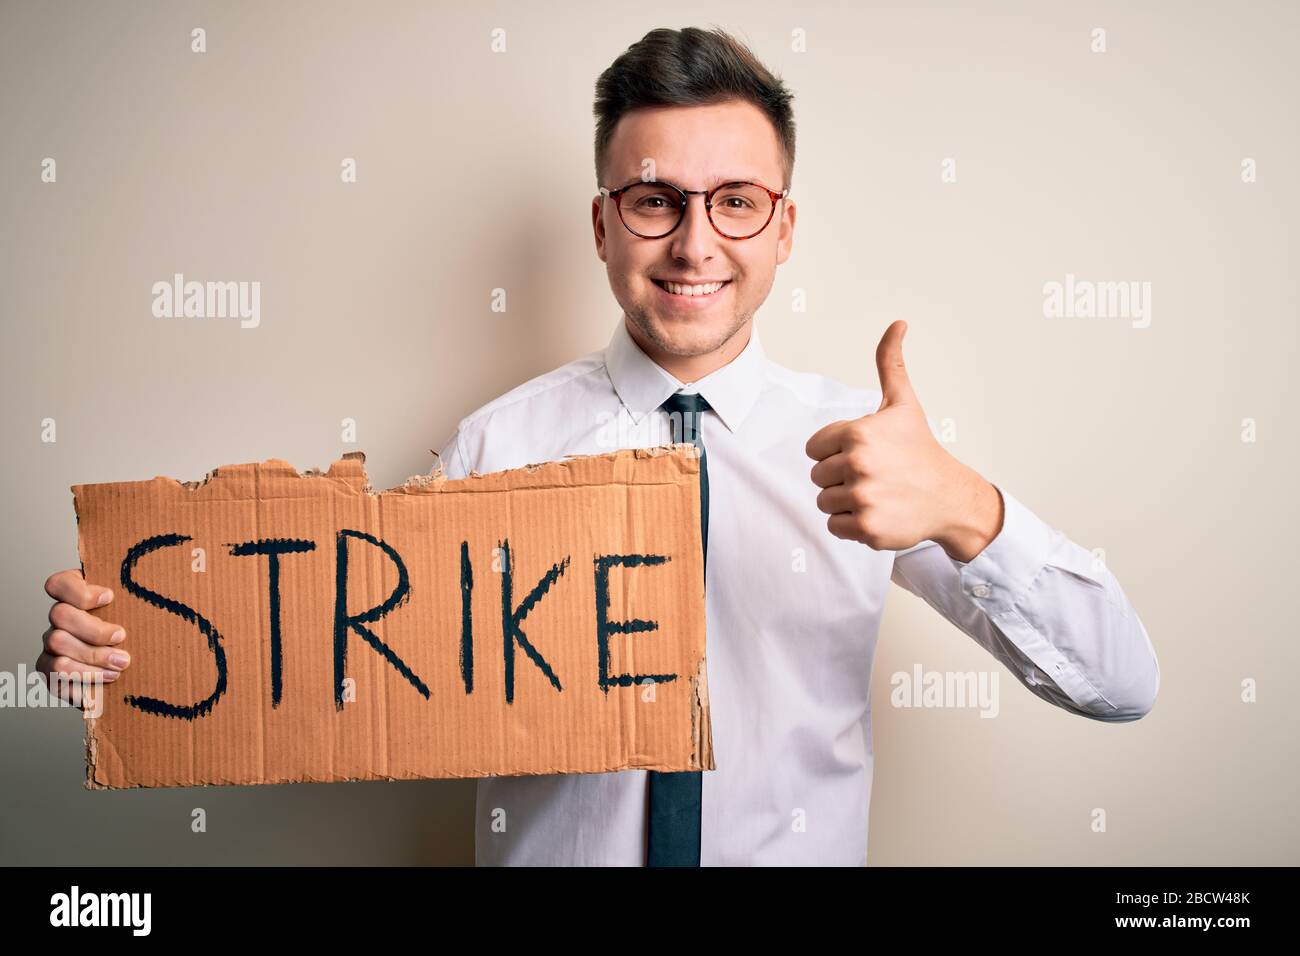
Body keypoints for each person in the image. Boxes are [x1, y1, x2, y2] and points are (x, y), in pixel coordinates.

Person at [38, 26, 1159, 867]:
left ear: (782, 228)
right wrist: (129, 665)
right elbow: (335, 672)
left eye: (734, 201)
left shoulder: (868, 456)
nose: (692, 243)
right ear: (599, 223)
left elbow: (1122, 684)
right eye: (652, 200)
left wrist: (971, 507)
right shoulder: (493, 444)